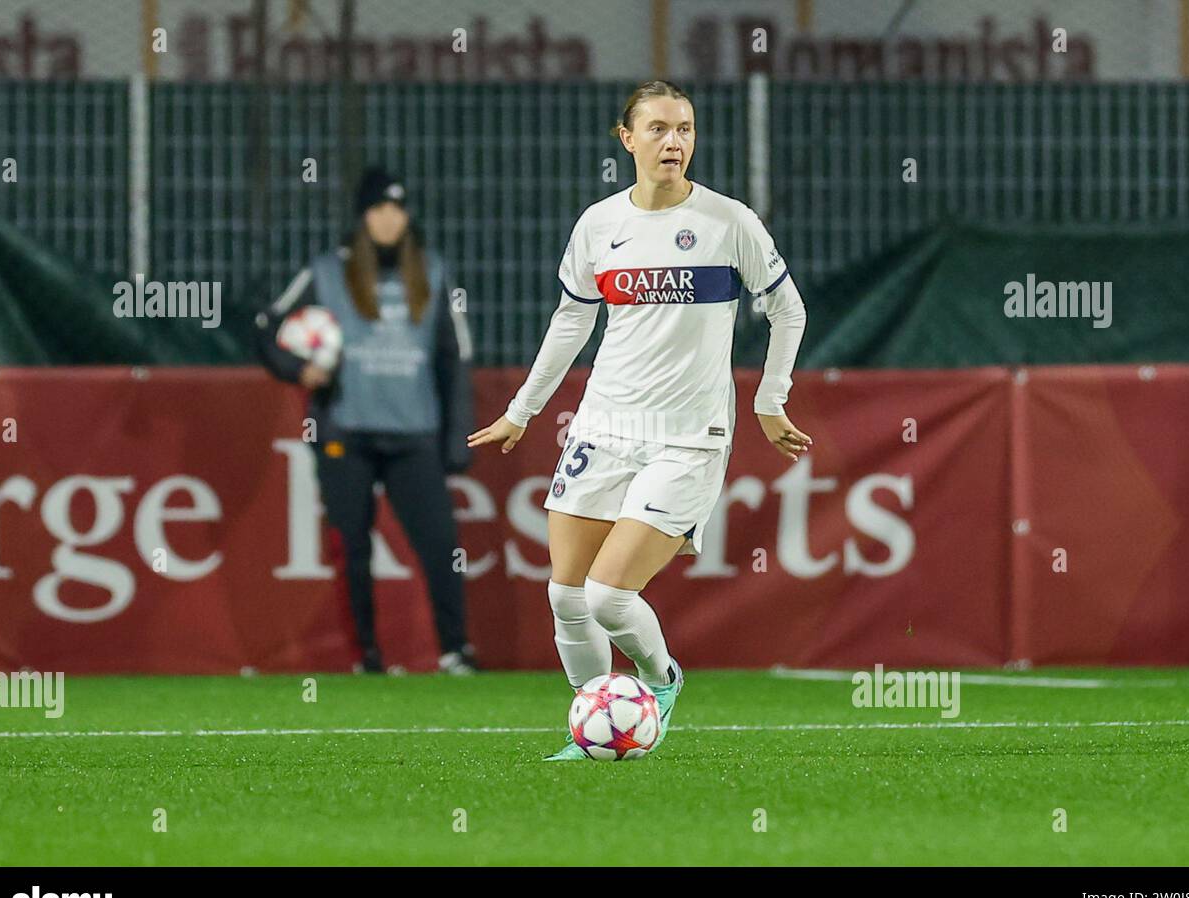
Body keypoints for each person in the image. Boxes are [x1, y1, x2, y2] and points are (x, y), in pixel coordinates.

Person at [467, 80, 810, 758]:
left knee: (606, 597)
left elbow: (788, 310)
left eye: (684, 127)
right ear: (626, 139)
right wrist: (521, 411)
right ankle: (592, 726)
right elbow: (571, 320)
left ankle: (661, 682)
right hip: (603, 427)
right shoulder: (600, 225)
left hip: (688, 438)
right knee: (565, 593)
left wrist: (771, 399)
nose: (674, 141)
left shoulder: (729, 223)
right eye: (657, 128)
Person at [255, 167, 480, 675]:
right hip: (345, 432)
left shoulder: (432, 270)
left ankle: (455, 651)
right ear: (362, 216)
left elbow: (454, 358)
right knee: (352, 547)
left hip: (413, 432)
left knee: (442, 544)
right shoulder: (327, 272)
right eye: (378, 209)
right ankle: (367, 658)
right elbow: (267, 328)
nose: (388, 219)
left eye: (397, 209)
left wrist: (457, 437)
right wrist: (299, 368)